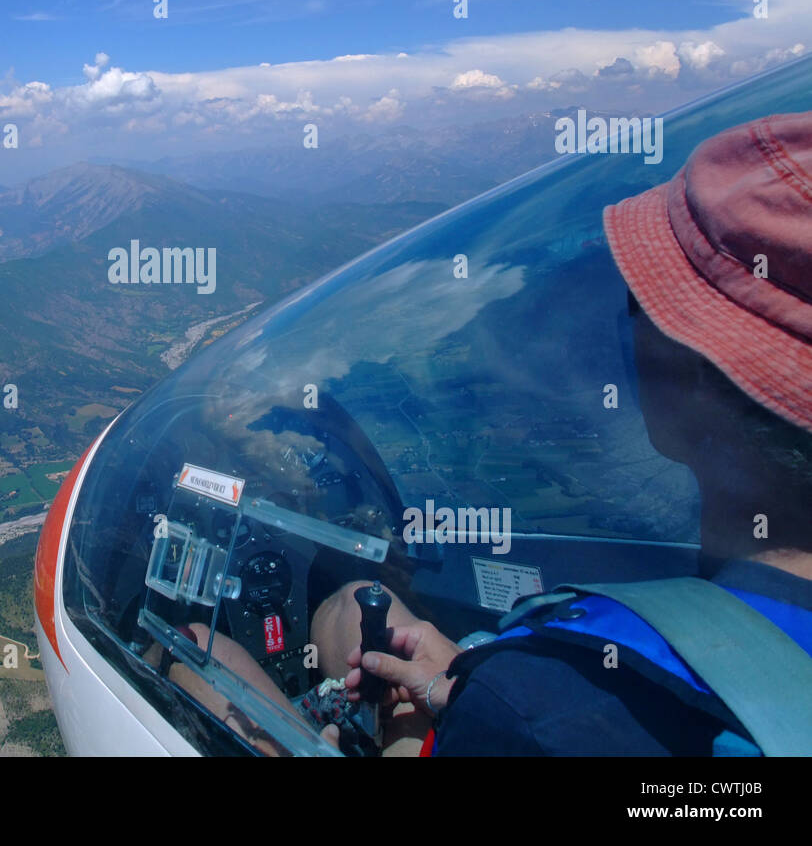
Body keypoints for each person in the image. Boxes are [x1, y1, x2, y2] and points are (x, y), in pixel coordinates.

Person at [328, 111, 812, 756]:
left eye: (639, 310)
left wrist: (473, 713)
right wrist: (477, 672)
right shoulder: (546, 697)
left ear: (701, 383)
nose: (622, 332)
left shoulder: (550, 706)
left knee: (206, 652)